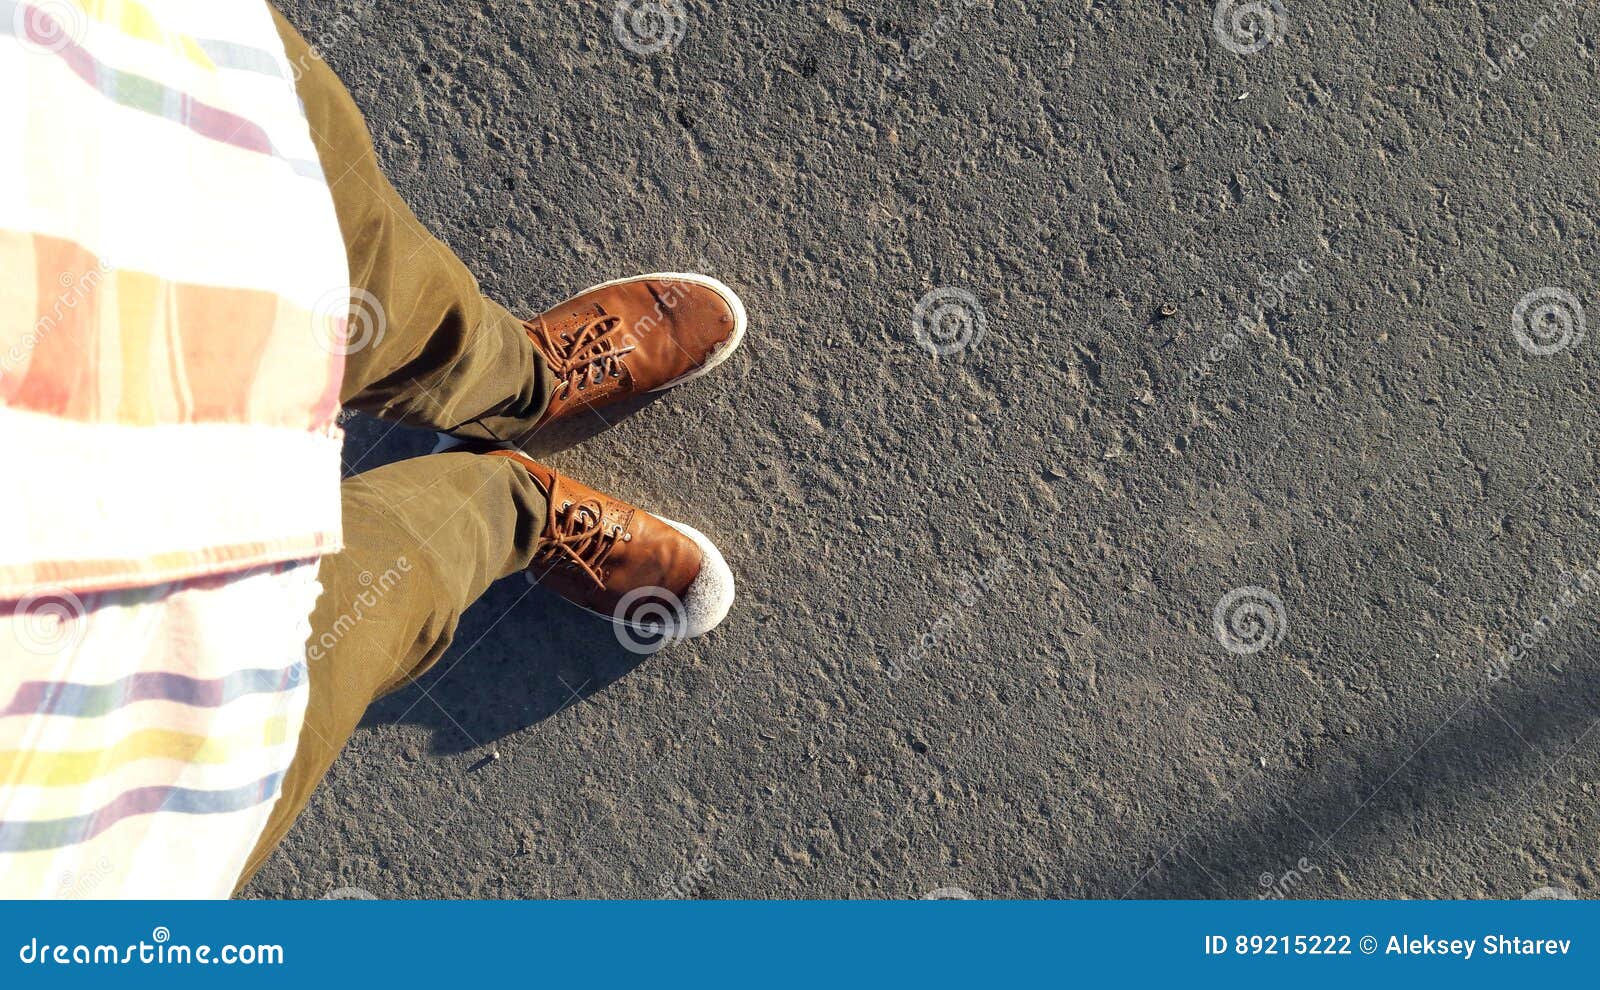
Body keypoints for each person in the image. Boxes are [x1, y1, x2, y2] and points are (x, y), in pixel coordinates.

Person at [0, 0, 739, 898]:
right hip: (66, 798)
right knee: (338, 626)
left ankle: (509, 377)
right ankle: (506, 508)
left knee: (299, 242)